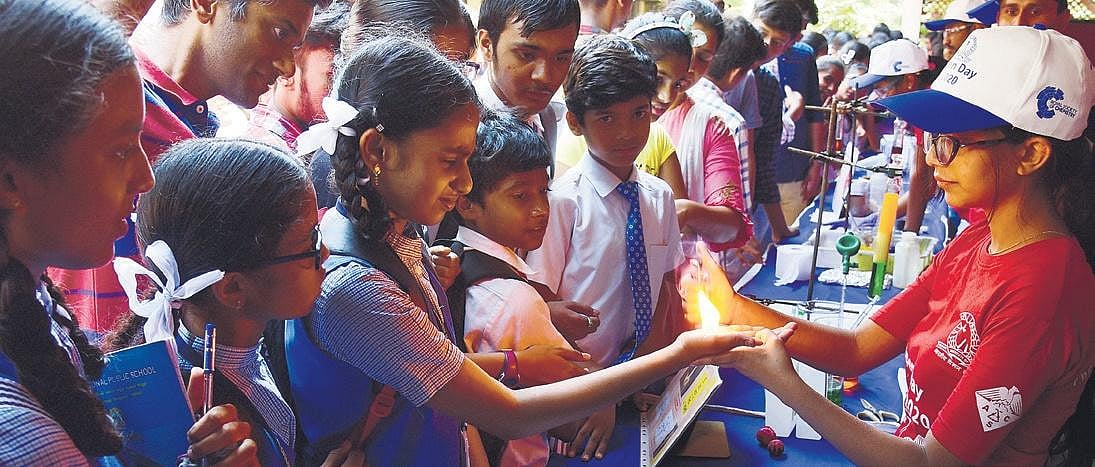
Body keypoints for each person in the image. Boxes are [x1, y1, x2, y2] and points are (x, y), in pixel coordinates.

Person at [284, 33, 765, 466]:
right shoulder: (356, 288)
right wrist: (677, 354)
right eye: (451, 161)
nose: (467, 183)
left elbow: (438, 372)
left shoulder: (402, 235)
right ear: (377, 152)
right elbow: (509, 415)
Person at [713, 26, 1095, 466]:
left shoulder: (1042, 293)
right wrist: (736, 308)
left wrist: (785, 383)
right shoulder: (979, 238)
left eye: (951, 143)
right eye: (932, 139)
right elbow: (857, 349)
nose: (933, 158)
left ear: (1030, 154)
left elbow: (931, 463)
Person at [0, 1, 256, 464]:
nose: (146, 178)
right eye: (120, 151)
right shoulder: (23, 438)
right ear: (9, 179)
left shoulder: (35, 310)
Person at [49, 0, 323, 334]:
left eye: (294, 48)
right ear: (206, 4)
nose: (287, 67)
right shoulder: (100, 106)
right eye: (279, 32)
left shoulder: (207, 135)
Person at [107, 139, 325, 466]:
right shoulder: (198, 422)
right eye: (311, 242)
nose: (325, 254)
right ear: (233, 288)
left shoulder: (259, 339)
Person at [449, 111, 590, 464]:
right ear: (466, 203)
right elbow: (570, 414)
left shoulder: (451, 261)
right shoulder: (515, 299)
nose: (541, 209)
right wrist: (604, 403)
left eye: (543, 192)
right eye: (520, 197)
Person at [621, 13, 753, 252]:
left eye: (679, 83)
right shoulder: (589, 129)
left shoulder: (706, 127)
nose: (666, 96)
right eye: (657, 78)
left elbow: (729, 226)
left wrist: (686, 212)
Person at [476, 0, 580, 161]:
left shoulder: (550, 118)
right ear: (487, 45)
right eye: (527, 55)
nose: (544, 76)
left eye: (561, 58)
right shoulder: (458, 130)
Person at [752, 0, 825, 228]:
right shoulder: (739, 59)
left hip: (791, 170)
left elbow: (815, 114)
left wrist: (816, 163)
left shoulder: (803, 57)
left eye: (779, 41)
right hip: (748, 178)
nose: (767, 44)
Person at [244, 2, 350, 154]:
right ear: (286, 69)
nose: (342, 90)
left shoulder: (306, 137)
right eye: (333, 76)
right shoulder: (267, 152)